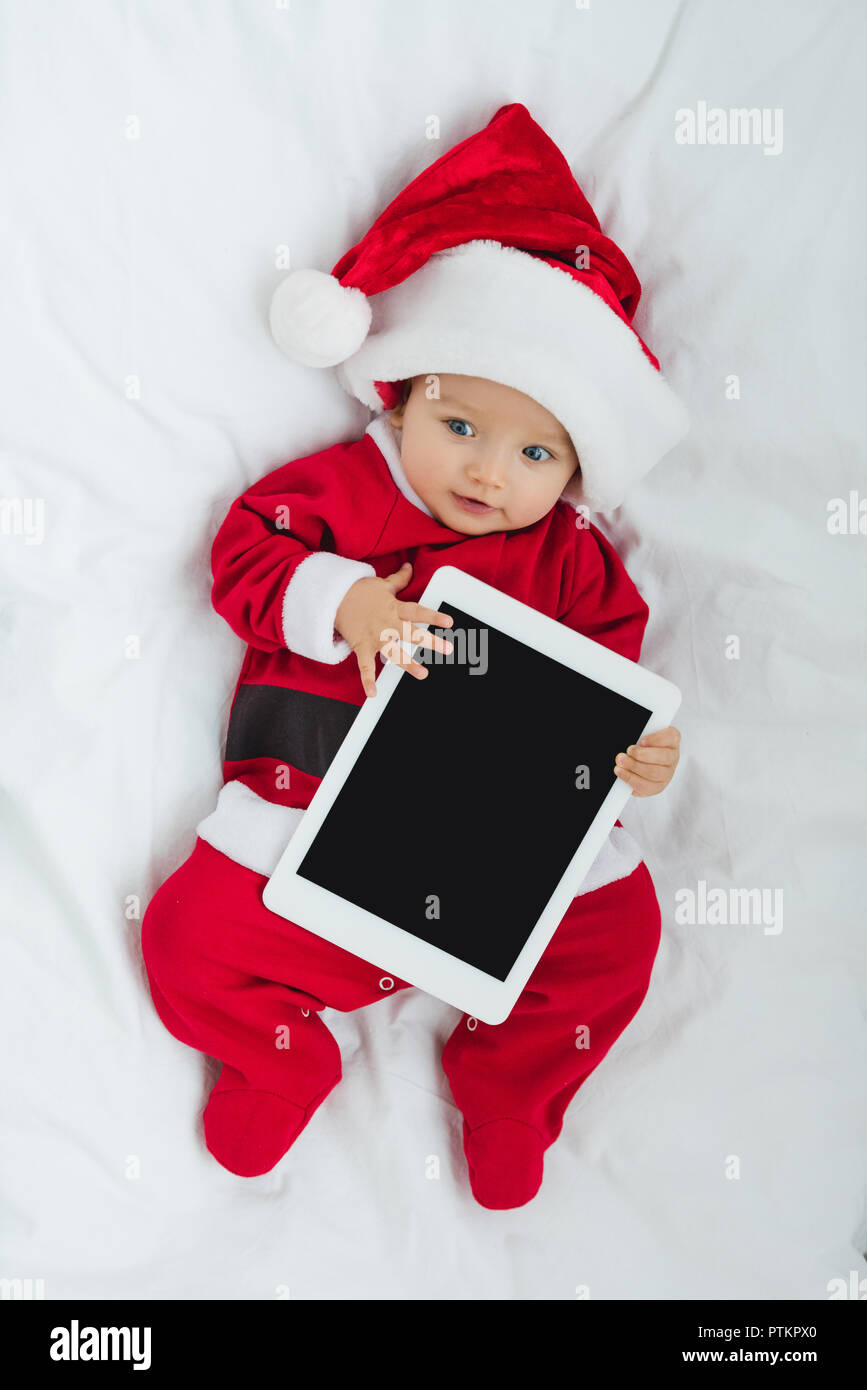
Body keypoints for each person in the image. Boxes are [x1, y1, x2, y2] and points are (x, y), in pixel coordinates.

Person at [141, 103, 689, 1209]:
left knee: (621, 935)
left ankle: (507, 1085)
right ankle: (281, 1051)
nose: (490, 472)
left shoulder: (574, 560)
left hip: (492, 853)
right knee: (186, 939)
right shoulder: (349, 489)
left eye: (536, 452)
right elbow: (245, 554)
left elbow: (614, 684)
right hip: (307, 830)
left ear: (576, 468)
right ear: (404, 389)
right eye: (461, 427)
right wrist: (342, 606)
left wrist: (636, 758)